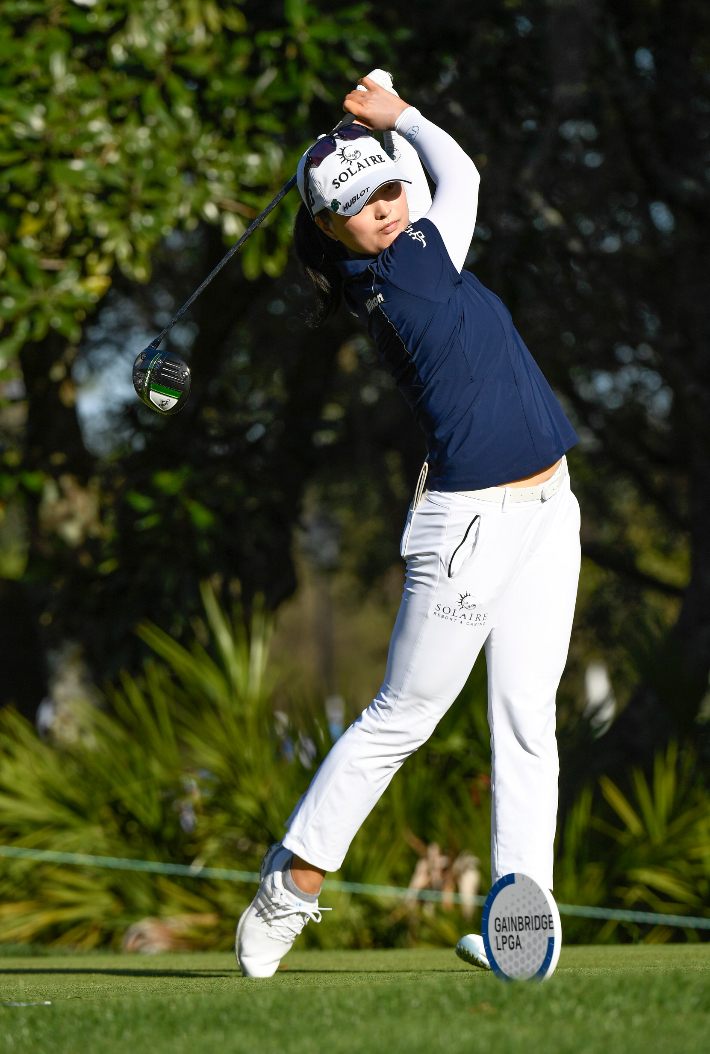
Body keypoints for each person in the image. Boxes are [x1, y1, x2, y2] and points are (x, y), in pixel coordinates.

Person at [236, 73, 581, 978]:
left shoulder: (413, 247)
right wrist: (403, 117)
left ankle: (519, 922)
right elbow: (459, 178)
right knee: (402, 716)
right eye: (360, 204)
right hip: (472, 524)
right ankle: (291, 886)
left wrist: (385, 129)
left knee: (526, 719)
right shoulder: (403, 272)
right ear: (329, 226)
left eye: (389, 190)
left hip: (549, 507)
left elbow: (440, 189)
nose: (385, 209)